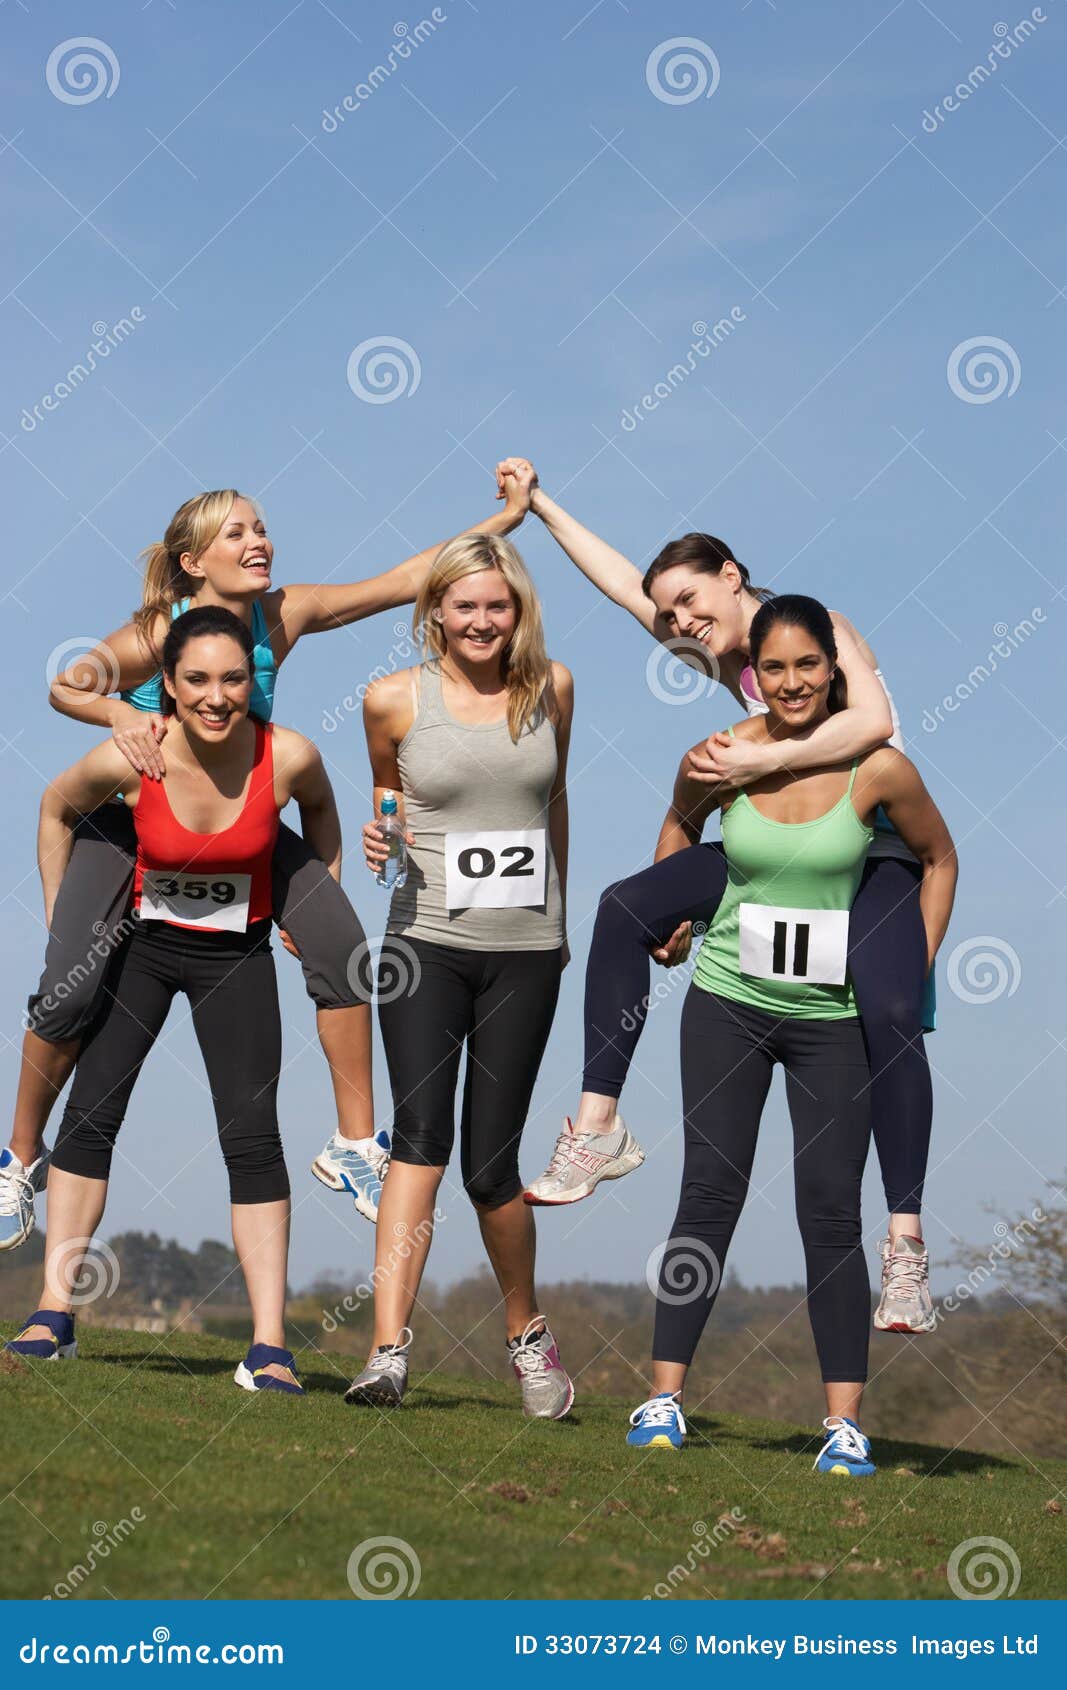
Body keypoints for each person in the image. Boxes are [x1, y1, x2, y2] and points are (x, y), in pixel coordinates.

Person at [0, 479, 531, 1250]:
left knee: (345, 955)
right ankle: (19, 1159)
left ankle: (353, 1144)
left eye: (261, 528)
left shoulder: (284, 614)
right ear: (193, 562)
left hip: (237, 815)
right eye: (236, 533)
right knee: (68, 991)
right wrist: (117, 710)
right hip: (128, 824)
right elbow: (65, 683)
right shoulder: (160, 631)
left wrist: (506, 519)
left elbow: (406, 580)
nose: (258, 542)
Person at [500, 458, 939, 1333]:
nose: (679, 622)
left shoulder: (814, 629)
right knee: (625, 907)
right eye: (669, 614)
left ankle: (904, 1250)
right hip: (774, 842)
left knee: (890, 1012)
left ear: (731, 576)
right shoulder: (712, 648)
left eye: (690, 601)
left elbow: (874, 722)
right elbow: (622, 584)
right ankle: (597, 1125)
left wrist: (760, 757)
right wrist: (541, 505)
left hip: (869, 845)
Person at [621, 596, 957, 1469]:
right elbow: (680, 823)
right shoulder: (723, 756)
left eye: (808, 664)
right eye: (774, 667)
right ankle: (662, 1400)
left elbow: (938, 858)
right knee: (707, 1196)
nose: (793, 681)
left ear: (833, 670)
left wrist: (912, 966)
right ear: (753, 676)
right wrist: (671, 915)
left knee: (829, 1213)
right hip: (726, 1003)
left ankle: (842, 1424)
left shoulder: (878, 769)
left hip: (830, 1019)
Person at [4, 607, 353, 1391]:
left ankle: (269, 1348)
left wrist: (314, 901)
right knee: (92, 1116)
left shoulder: (289, 755)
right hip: (143, 949)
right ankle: (54, 1312)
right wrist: (65, 919)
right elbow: (56, 807)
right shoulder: (134, 754)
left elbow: (324, 814)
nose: (215, 696)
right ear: (167, 682)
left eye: (232, 679)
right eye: (196, 679)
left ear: (252, 682)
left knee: (252, 1137)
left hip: (237, 956)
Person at [349, 532, 575, 1417]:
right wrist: (378, 839)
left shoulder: (552, 689)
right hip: (423, 944)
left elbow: (554, 804)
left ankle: (526, 1334)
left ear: (518, 610)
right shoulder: (390, 700)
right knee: (418, 1139)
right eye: (465, 605)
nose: (481, 621)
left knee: (490, 1165)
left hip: (525, 951)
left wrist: (563, 919)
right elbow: (387, 802)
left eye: (497, 605)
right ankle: (386, 1353)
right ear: (435, 611)